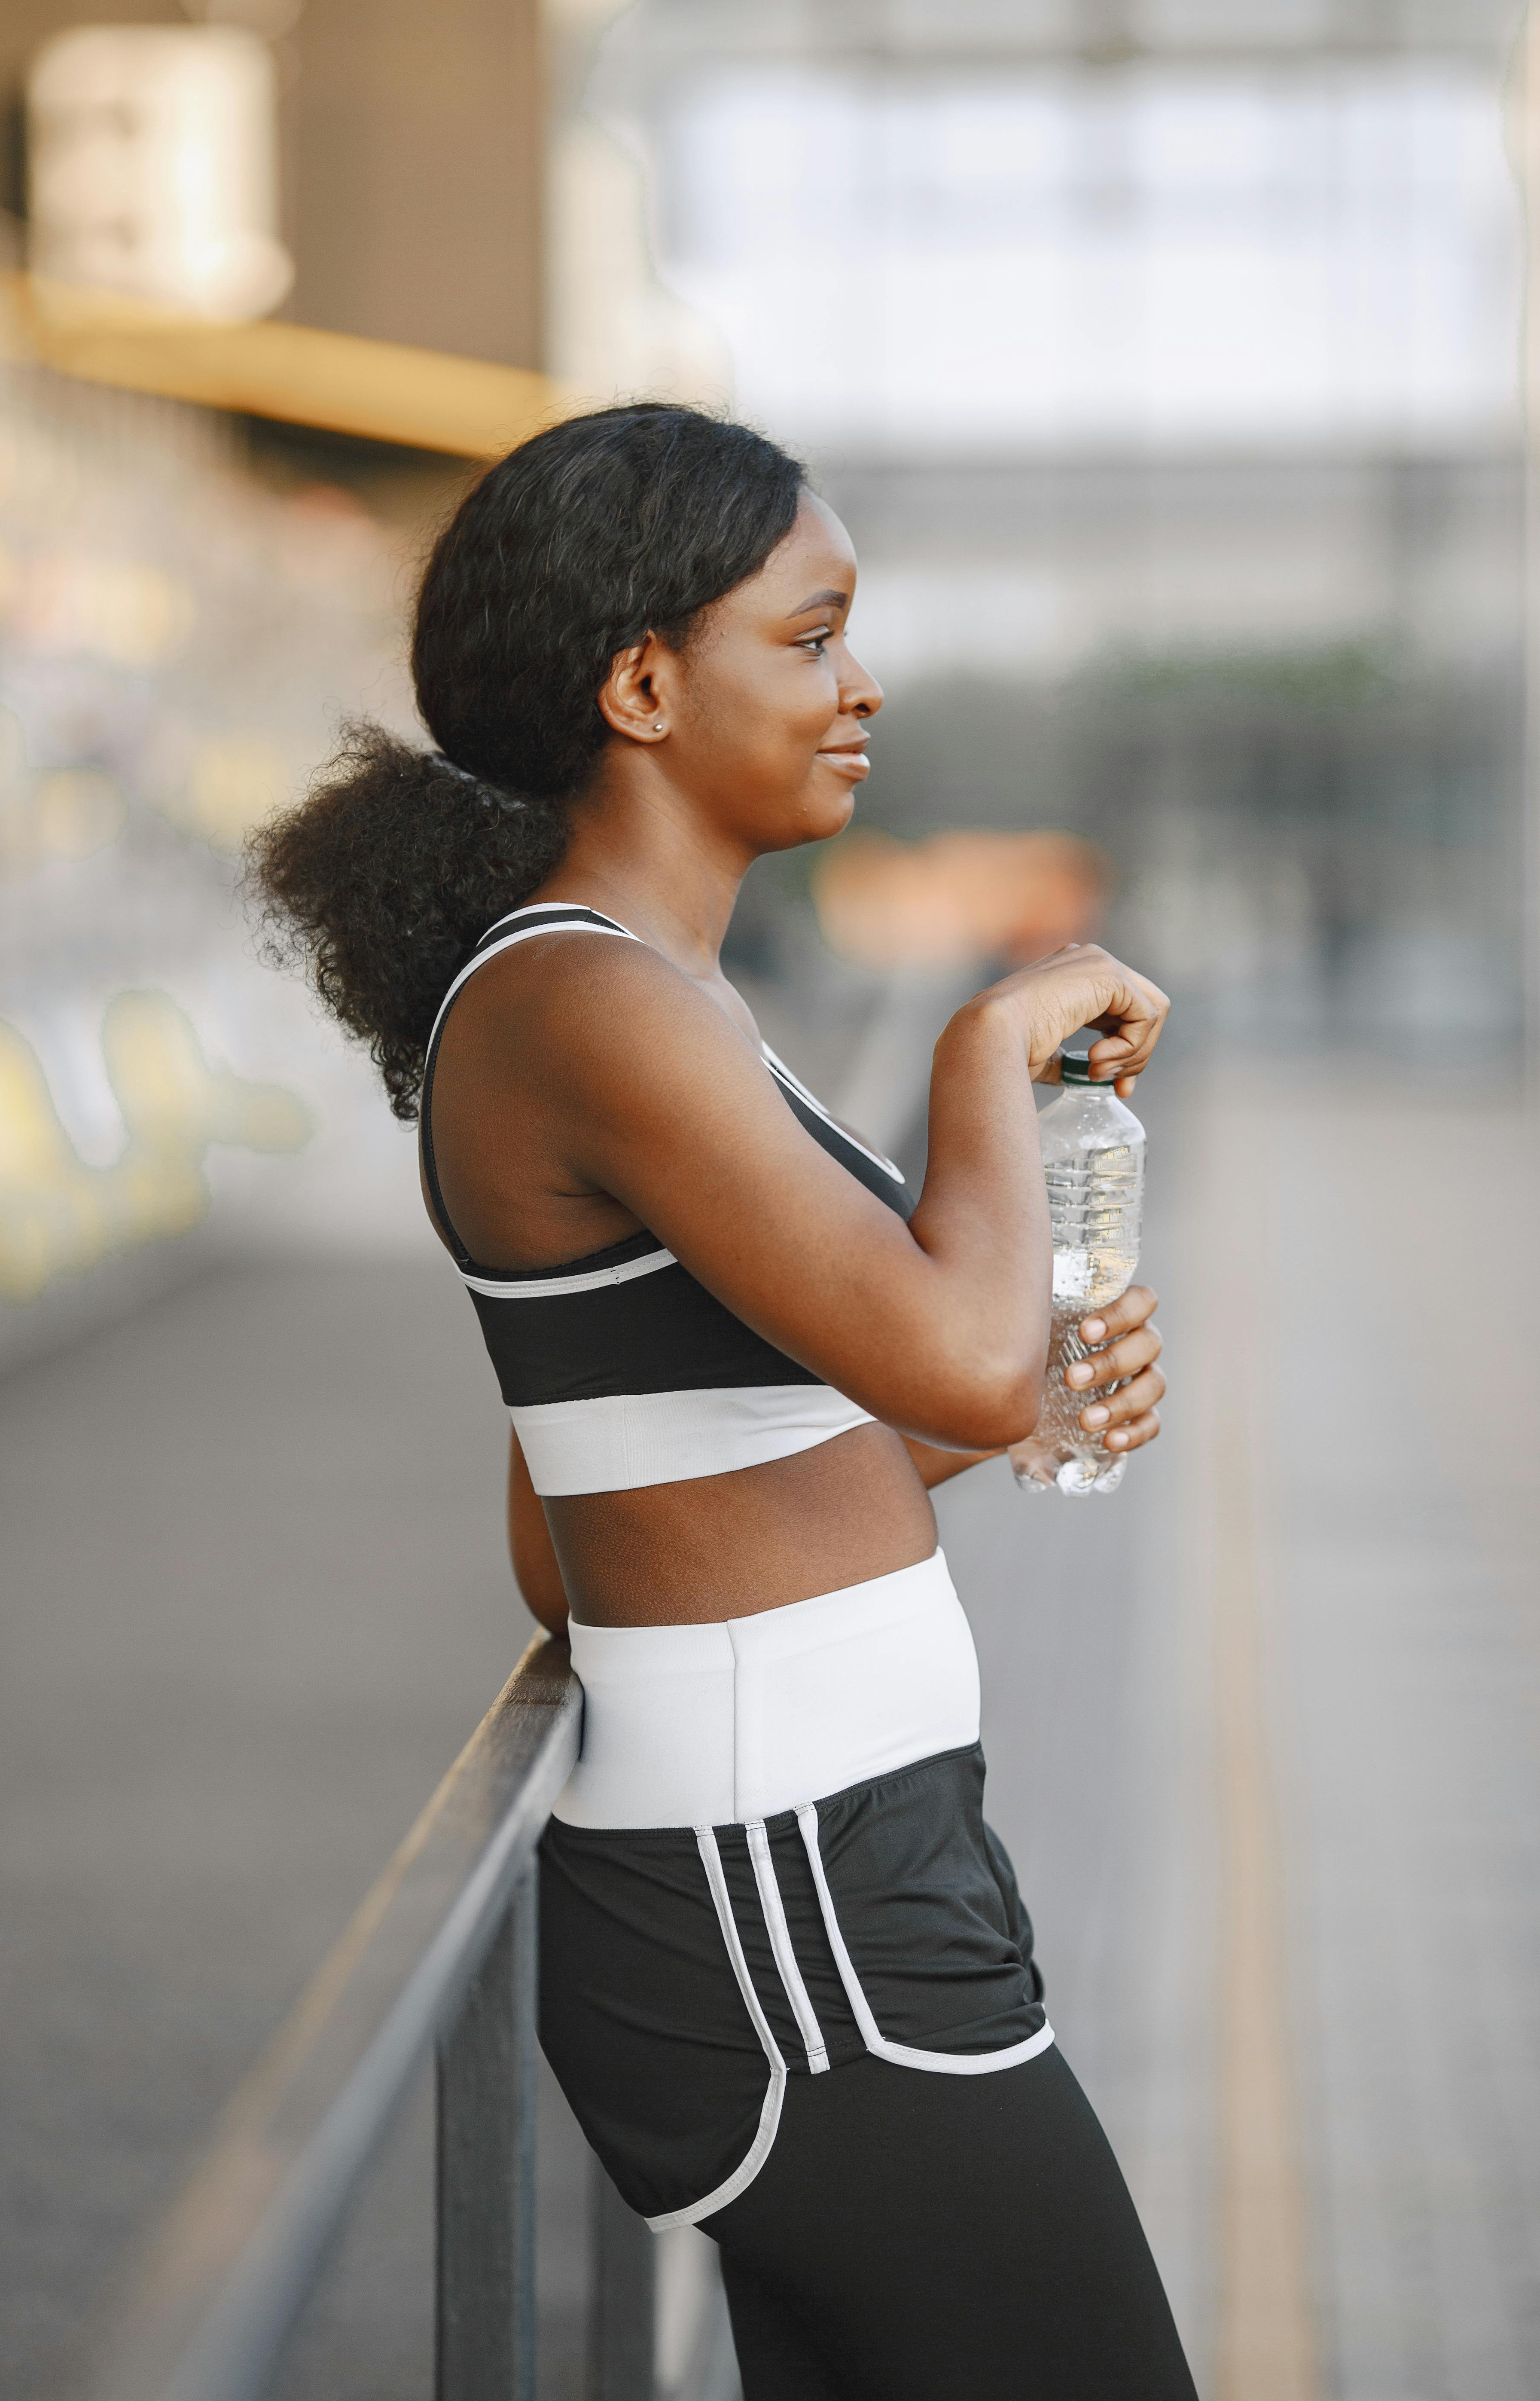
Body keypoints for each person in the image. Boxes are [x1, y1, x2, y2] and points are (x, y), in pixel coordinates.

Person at [251, 403, 1191, 2399]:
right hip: (788, 1899)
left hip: (825, 1872)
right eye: (813, 633)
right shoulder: (587, 1002)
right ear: (645, 678)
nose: (861, 687)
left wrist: (1003, 1406)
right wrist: (987, 1048)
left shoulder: (638, 996)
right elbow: (943, 1340)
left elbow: (577, 1513)